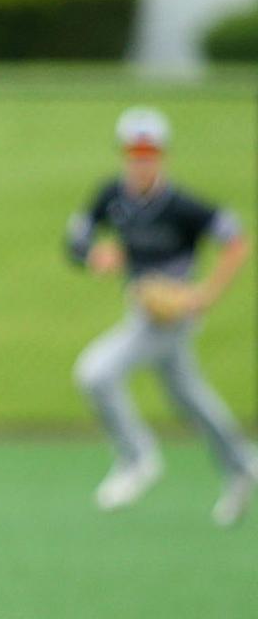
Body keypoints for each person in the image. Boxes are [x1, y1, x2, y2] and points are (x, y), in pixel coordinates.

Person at [66, 108, 258, 525]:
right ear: (124, 154)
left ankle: (137, 458)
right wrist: (94, 255)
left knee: (95, 373)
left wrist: (205, 293)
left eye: (149, 151)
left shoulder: (181, 205)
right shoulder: (111, 196)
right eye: (135, 152)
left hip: (173, 316)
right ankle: (243, 466)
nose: (142, 160)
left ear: (162, 155)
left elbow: (236, 240)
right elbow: (76, 238)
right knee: (188, 396)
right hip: (142, 308)